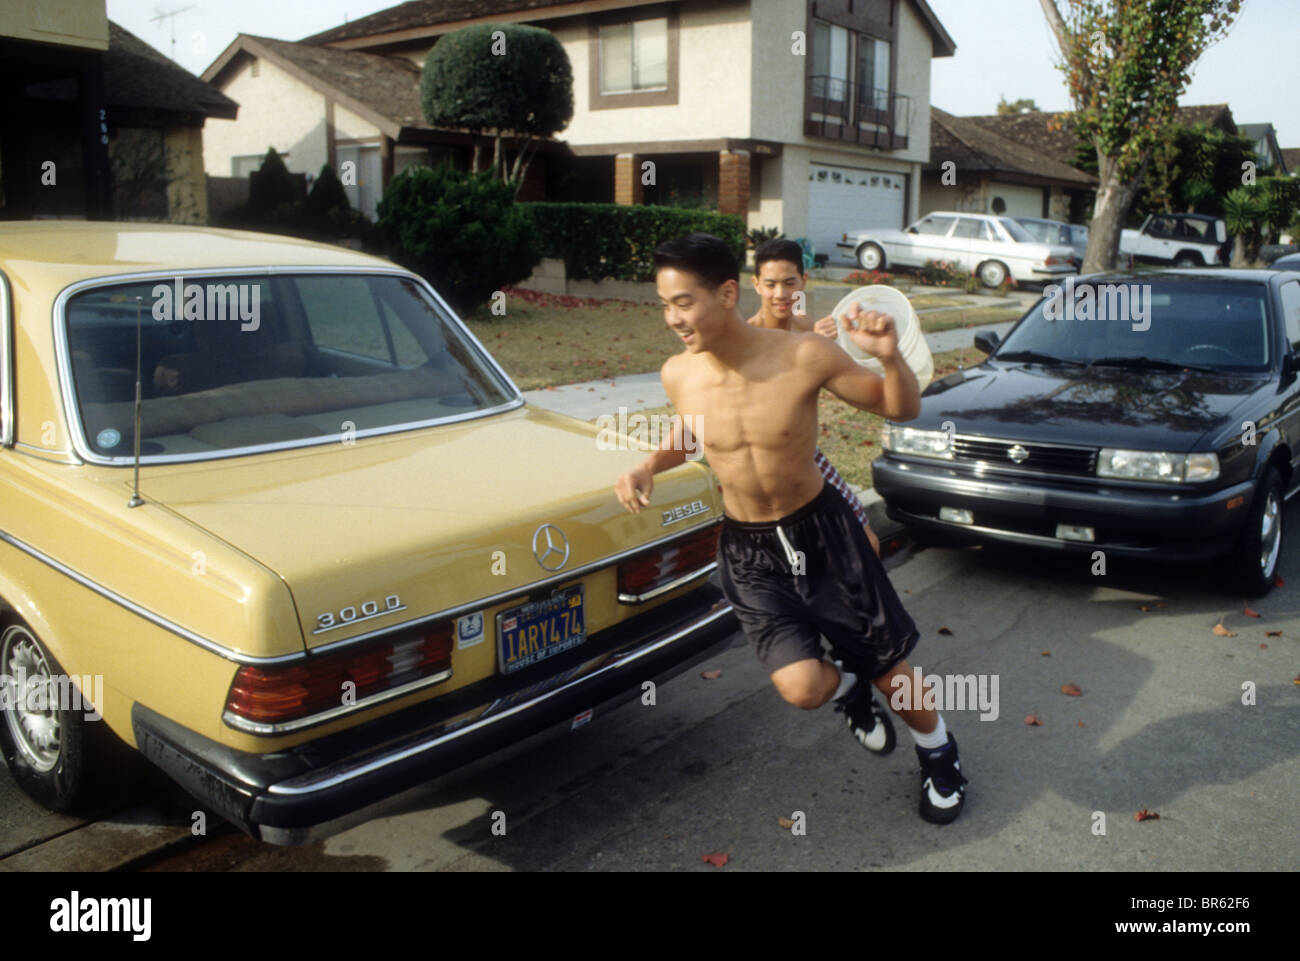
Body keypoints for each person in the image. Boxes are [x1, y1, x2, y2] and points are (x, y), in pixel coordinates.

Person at [614, 233, 967, 824]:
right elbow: (695, 429)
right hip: (749, 551)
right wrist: (651, 463)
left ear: (726, 294)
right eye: (664, 304)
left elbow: (899, 408)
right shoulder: (679, 373)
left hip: (822, 536)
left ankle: (940, 753)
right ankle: (847, 689)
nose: (673, 318)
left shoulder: (803, 355)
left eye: (684, 303)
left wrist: (888, 356)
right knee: (803, 688)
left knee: (889, 669)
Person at [748, 237, 881, 557]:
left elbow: (845, 383)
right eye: (770, 284)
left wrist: (831, 348)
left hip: (810, 457)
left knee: (867, 543)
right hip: (765, 466)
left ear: (803, 281)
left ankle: (868, 607)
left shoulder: (805, 326)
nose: (780, 294)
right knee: (803, 564)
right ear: (755, 285)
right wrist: (807, 350)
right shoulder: (746, 336)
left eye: (789, 283)